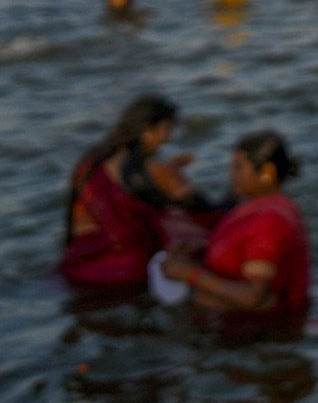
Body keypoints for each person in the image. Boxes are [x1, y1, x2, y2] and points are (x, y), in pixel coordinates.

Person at [61, 95, 215, 290]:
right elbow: (203, 211)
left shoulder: (91, 162)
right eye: (166, 129)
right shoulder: (156, 171)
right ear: (147, 131)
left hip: (76, 267)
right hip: (125, 273)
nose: (168, 138)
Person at [158, 130, 309, 314]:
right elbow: (247, 253)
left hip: (252, 334)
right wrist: (204, 250)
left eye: (238, 167)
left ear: (267, 172)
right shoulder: (266, 206)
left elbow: (253, 297)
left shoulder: (268, 223)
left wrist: (189, 274)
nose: (231, 174)